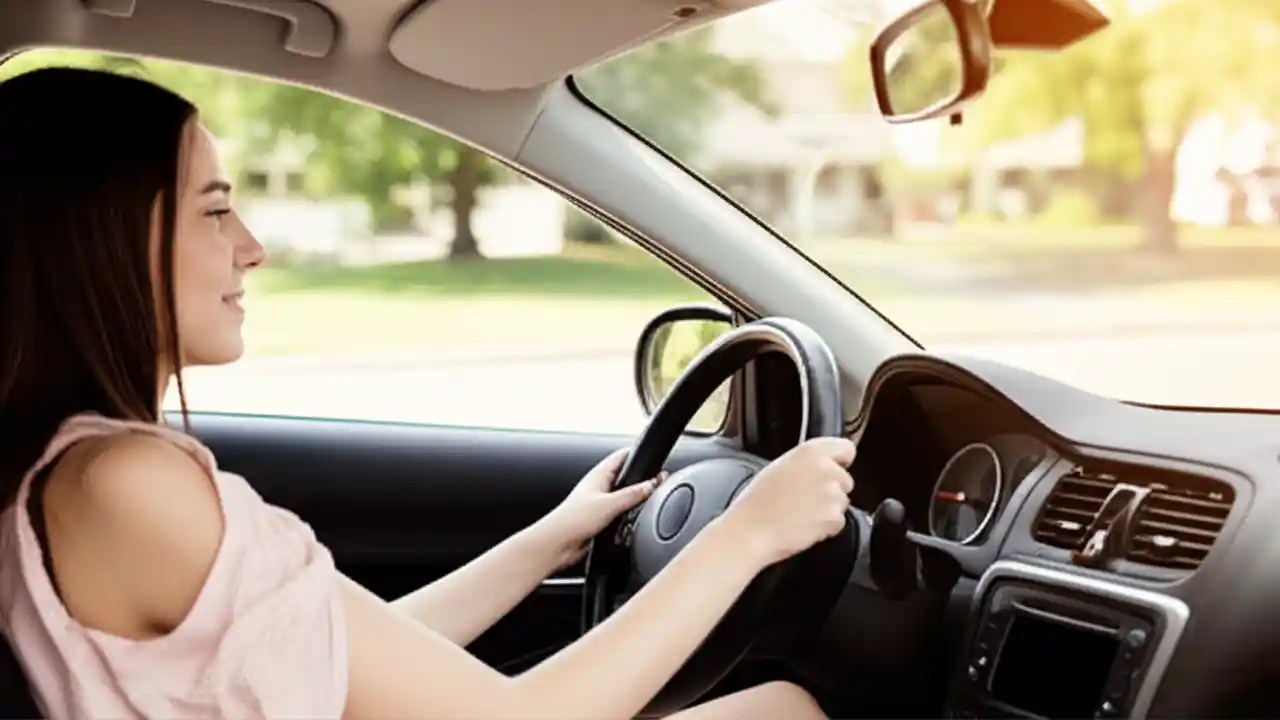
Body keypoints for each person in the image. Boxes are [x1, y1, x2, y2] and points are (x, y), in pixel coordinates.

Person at [0, 67, 858, 719]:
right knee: (785, 707)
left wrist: (545, 543)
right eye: (215, 212)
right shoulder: (126, 485)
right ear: (105, 238)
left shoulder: (77, 469)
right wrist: (749, 533)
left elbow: (334, 662)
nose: (251, 247)